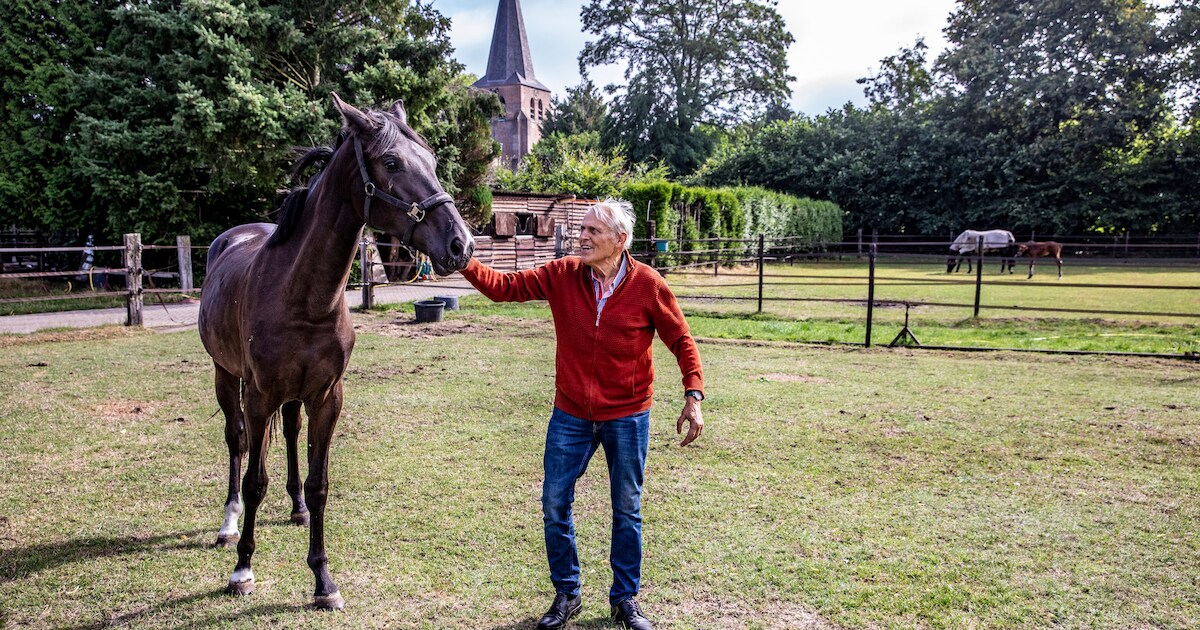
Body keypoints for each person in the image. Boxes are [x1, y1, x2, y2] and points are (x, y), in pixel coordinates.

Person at [459, 199, 704, 630]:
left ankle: (625, 600)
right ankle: (567, 593)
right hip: (570, 412)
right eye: (582, 229)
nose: (583, 237)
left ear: (620, 240)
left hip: (628, 415)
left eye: (594, 231)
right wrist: (463, 259)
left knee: (626, 508)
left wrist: (693, 394)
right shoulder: (562, 275)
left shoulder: (648, 284)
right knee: (555, 501)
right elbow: (504, 287)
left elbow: (680, 338)